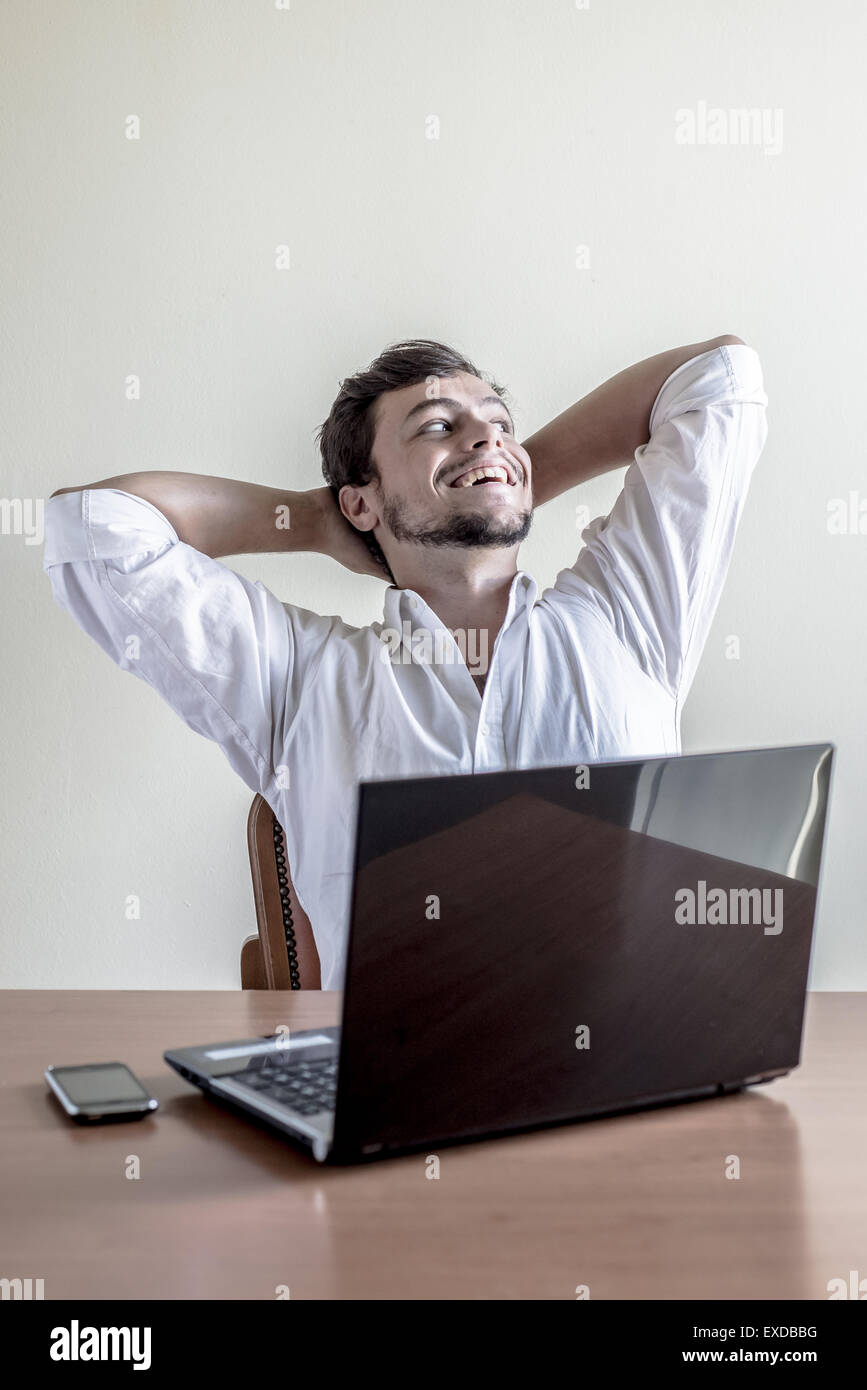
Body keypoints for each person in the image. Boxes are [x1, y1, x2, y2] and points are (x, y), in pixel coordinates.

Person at [43, 334, 767, 988]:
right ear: (361, 502)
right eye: (438, 427)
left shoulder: (628, 614)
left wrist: (502, 475)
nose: (486, 433)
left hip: (634, 1089)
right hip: (396, 1111)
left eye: (498, 423)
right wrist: (317, 521)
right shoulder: (296, 679)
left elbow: (717, 375)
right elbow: (95, 528)